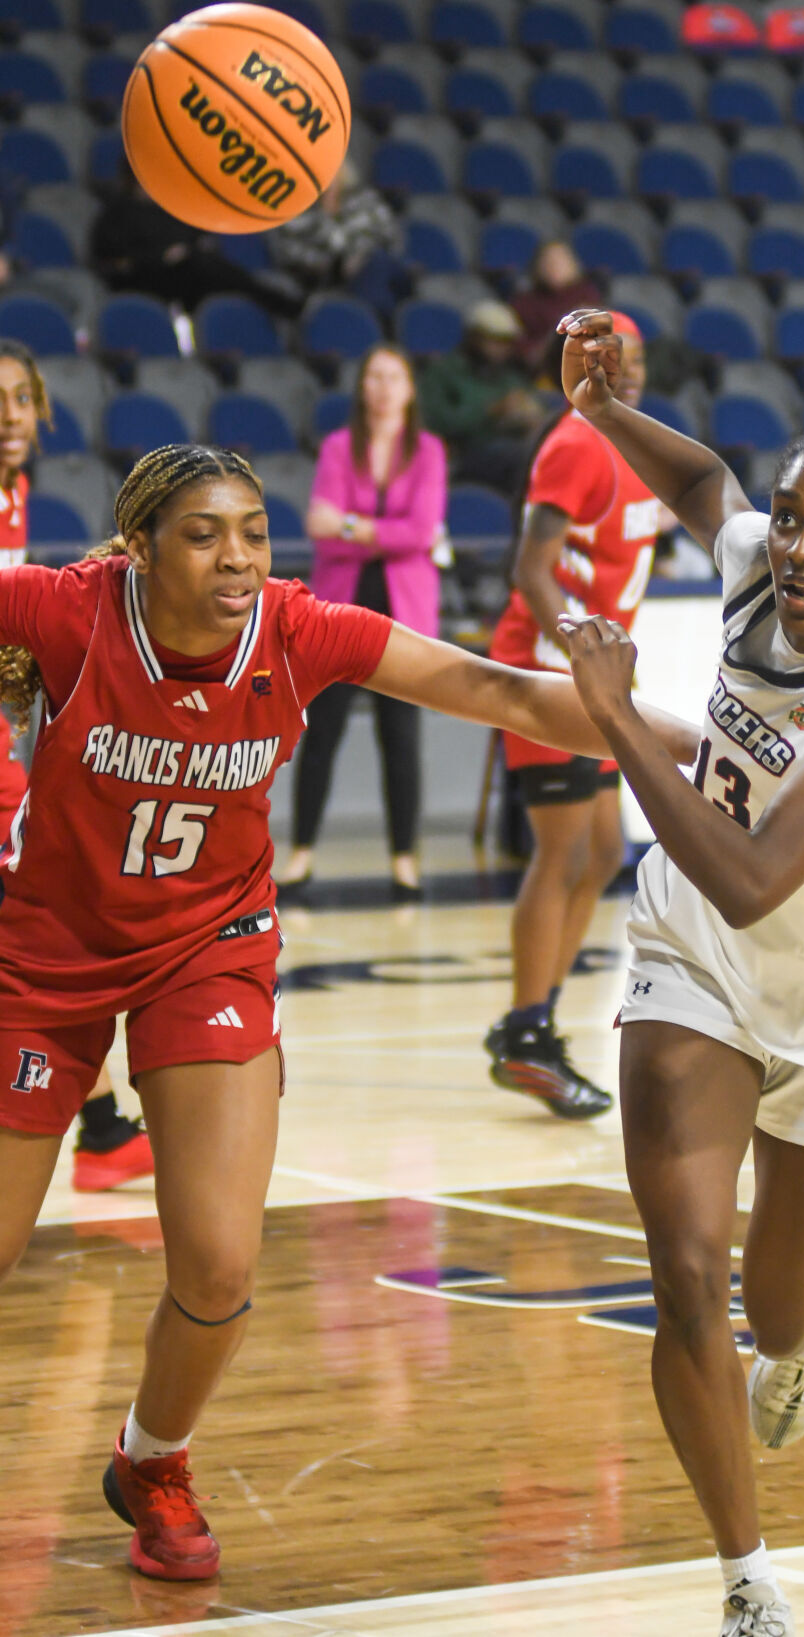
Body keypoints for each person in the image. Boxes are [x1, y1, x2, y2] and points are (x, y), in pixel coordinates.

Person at [0, 441, 695, 1583]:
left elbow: (496, 688)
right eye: (203, 534)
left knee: (220, 1264)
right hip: (46, 955)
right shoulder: (66, 611)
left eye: (255, 533)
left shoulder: (296, 627)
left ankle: (154, 1457)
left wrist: (700, 741)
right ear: (139, 550)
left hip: (205, 950)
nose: (237, 559)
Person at [553, 310, 804, 1637]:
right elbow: (700, 485)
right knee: (682, 1268)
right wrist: (610, 410)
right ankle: (747, 1577)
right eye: (790, 518)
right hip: (691, 960)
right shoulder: (751, 569)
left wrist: (615, 716)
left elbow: (758, 873)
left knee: (780, 1311)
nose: (795, 542)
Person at [484, 313, 657, 1118]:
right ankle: (524, 1031)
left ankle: (538, 1016)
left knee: (601, 851)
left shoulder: (641, 442)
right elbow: (530, 566)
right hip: (550, 670)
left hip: (596, 677)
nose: (620, 370)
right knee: (562, 852)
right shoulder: (574, 442)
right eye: (602, 358)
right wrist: (575, 645)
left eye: (628, 357)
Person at [0, 338, 153, 1192]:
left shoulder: (15, 494)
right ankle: (98, 1128)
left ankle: (99, 1128)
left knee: (37, 921)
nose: (10, 415)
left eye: (21, 397)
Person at [276, 345, 446, 902]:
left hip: (404, 609)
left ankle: (404, 859)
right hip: (340, 606)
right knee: (320, 732)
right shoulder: (336, 447)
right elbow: (316, 526)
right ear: (362, 386)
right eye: (373, 375)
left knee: (400, 736)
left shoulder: (427, 451)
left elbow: (420, 533)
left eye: (394, 376)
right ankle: (301, 854)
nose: (382, 386)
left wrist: (351, 524)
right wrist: (378, 529)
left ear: (410, 388)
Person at [88, 158, 303, 319]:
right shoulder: (116, 214)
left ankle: (271, 300)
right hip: (149, 278)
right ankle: (279, 302)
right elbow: (116, 262)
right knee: (202, 265)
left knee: (205, 263)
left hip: (189, 274)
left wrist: (191, 247)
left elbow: (196, 237)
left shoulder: (170, 209)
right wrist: (162, 257)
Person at [419, 302, 547, 494]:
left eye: (506, 342)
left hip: (509, 448)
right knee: (519, 455)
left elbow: (534, 411)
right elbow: (435, 421)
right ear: (474, 337)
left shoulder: (511, 377)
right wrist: (490, 410)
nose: (500, 348)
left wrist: (533, 419)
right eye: (493, 340)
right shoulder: (443, 373)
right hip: (463, 454)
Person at [271, 159, 412, 324]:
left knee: (382, 267)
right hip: (326, 281)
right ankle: (382, 328)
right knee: (378, 289)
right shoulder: (295, 213)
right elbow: (292, 256)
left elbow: (391, 236)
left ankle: (386, 325)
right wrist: (340, 263)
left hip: (376, 267)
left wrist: (359, 255)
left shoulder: (364, 199)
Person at [511, 240, 602, 377]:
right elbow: (520, 350)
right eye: (548, 262)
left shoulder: (589, 296)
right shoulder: (524, 303)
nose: (554, 266)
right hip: (541, 374)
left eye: (560, 261)